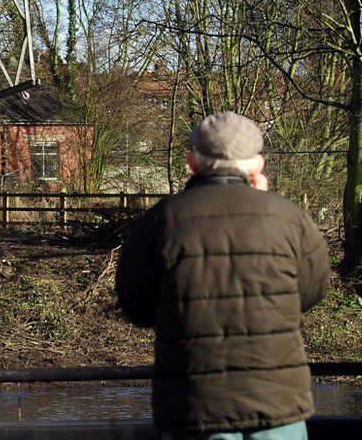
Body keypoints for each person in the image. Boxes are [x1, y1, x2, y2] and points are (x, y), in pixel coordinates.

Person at [116, 112, 330, 440]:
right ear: (258, 165)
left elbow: (137, 308)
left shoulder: (162, 220)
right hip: (276, 403)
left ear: (192, 161)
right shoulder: (290, 218)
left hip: (194, 406)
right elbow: (310, 294)